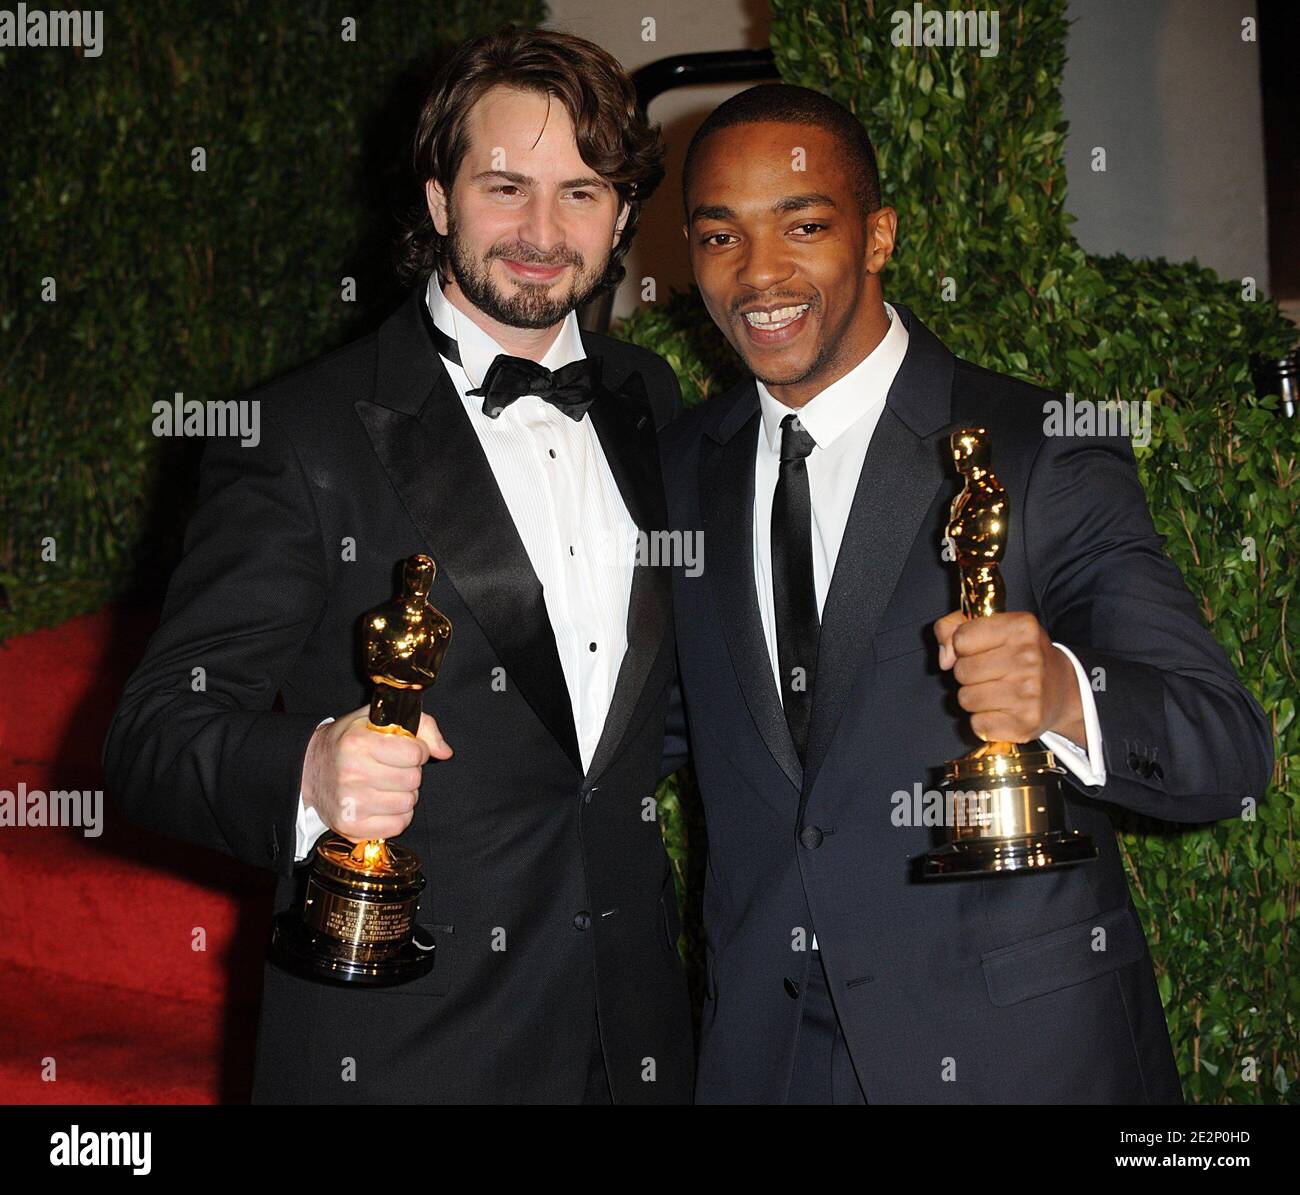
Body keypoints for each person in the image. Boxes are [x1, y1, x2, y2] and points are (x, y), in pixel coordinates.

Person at [103, 26, 693, 1104]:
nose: (540, 232)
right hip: (406, 1050)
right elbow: (153, 736)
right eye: (504, 186)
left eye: (581, 192)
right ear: (437, 201)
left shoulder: (649, 399)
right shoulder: (298, 431)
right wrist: (311, 766)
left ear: (619, 213)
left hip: (637, 1037)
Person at [660, 83, 1272, 1104]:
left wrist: (1065, 693)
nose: (759, 272)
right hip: (764, 1060)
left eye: (802, 225)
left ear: (878, 234)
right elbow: (647, 733)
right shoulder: (678, 469)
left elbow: (1228, 747)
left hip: (1016, 1060)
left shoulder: (1039, 449)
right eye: (720, 237)